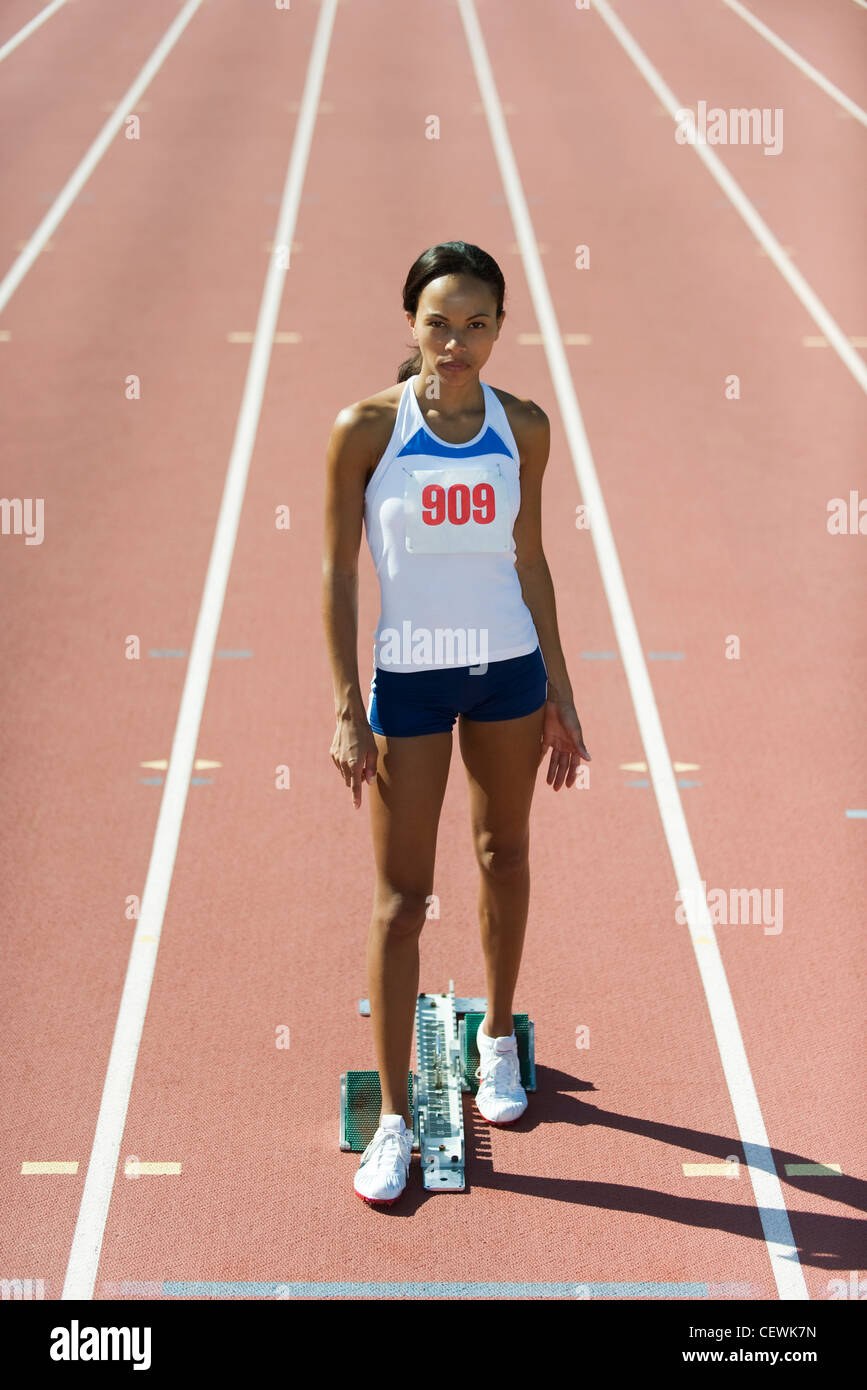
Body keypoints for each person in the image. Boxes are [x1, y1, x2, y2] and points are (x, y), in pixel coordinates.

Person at [322, 241, 590, 1205]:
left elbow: (532, 562)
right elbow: (336, 572)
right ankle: (394, 1121)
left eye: (477, 323)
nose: (457, 340)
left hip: (507, 674)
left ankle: (495, 1040)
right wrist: (348, 704)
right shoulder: (365, 431)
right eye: (439, 321)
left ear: (499, 329)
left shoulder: (524, 428)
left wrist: (560, 687)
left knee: (504, 854)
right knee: (400, 901)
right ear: (411, 323)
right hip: (411, 687)